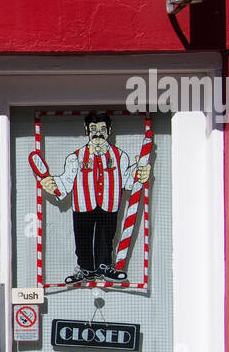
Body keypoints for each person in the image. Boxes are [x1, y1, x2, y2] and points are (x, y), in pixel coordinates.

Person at [40, 112, 150, 284]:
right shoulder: (75, 157)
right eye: (93, 129)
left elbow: (128, 180)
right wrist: (52, 185)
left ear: (109, 131)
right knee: (83, 238)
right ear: (86, 130)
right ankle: (85, 269)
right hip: (83, 205)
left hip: (109, 204)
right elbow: (65, 181)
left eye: (102, 129)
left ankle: (105, 266)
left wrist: (139, 172)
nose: (98, 133)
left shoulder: (120, 156)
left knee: (107, 237)